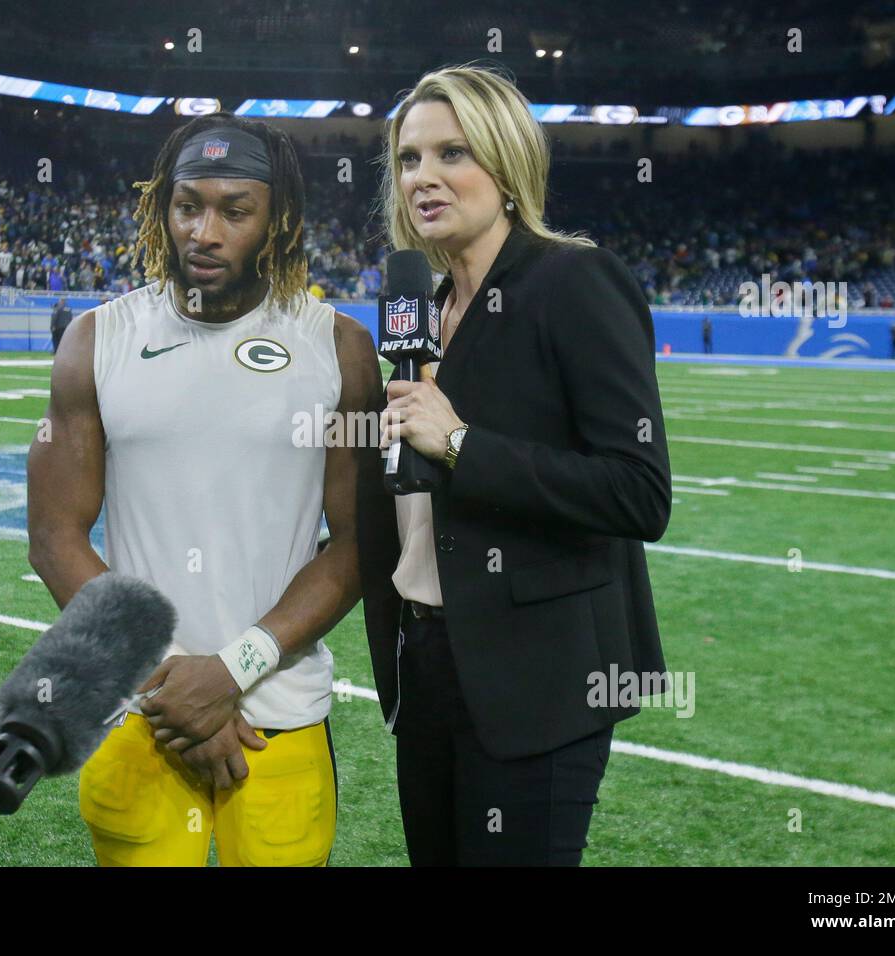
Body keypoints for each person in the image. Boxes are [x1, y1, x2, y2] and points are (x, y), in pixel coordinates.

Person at [27, 113, 378, 866]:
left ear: (277, 220)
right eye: (188, 206)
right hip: (137, 718)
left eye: (234, 210)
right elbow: (54, 537)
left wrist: (231, 671)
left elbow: (357, 543)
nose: (205, 232)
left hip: (277, 713)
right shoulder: (97, 339)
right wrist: (172, 690)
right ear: (164, 210)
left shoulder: (339, 350)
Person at [357, 64, 673, 866]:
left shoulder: (573, 280)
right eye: (408, 158)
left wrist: (461, 445)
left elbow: (639, 492)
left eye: (452, 153)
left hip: (539, 677)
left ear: (506, 166)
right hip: (425, 664)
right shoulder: (419, 312)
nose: (424, 176)